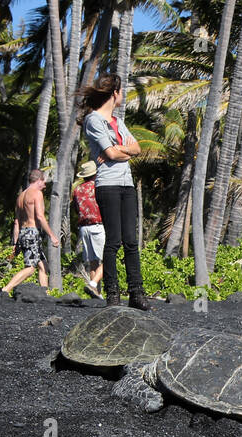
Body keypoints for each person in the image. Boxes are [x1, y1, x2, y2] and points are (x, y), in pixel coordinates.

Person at [80, 74, 149, 309]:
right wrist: (122, 151)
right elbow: (110, 155)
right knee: (114, 241)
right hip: (107, 185)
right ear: (115, 93)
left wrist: (120, 148)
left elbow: (137, 148)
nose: (123, 95)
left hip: (126, 185)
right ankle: (112, 294)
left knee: (131, 241)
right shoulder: (94, 120)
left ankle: (136, 294)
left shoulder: (118, 122)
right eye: (122, 91)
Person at [2, 169, 59, 295]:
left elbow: (17, 222)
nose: (44, 185)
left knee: (44, 266)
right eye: (44, 182)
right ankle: (6, 289)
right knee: (31, 268)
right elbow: (40, 216)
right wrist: (52, 235)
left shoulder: (21, 196)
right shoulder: (36, 194)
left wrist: (16, 243)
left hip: (23, 232)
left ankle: (45, 295)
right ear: (39, 180)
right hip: (32, 233)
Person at [71, 160, 104, 298]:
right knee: (108, 258)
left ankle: (96, 292)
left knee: (93, 261)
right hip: (98, 225)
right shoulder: (98, 187)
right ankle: (93, 284)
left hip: (84, 228)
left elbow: (75, 208)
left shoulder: (77, 190)